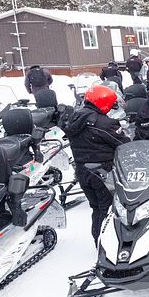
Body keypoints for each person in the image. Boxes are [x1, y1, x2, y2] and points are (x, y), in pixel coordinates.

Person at [61, 85, 130, 242]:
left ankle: (97, 239)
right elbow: (124, 144)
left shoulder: (75, 118)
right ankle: (106, 243)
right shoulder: (104, 123)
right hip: (103, 173)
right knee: (107, 210)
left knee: (96, 208)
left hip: (83, 171)